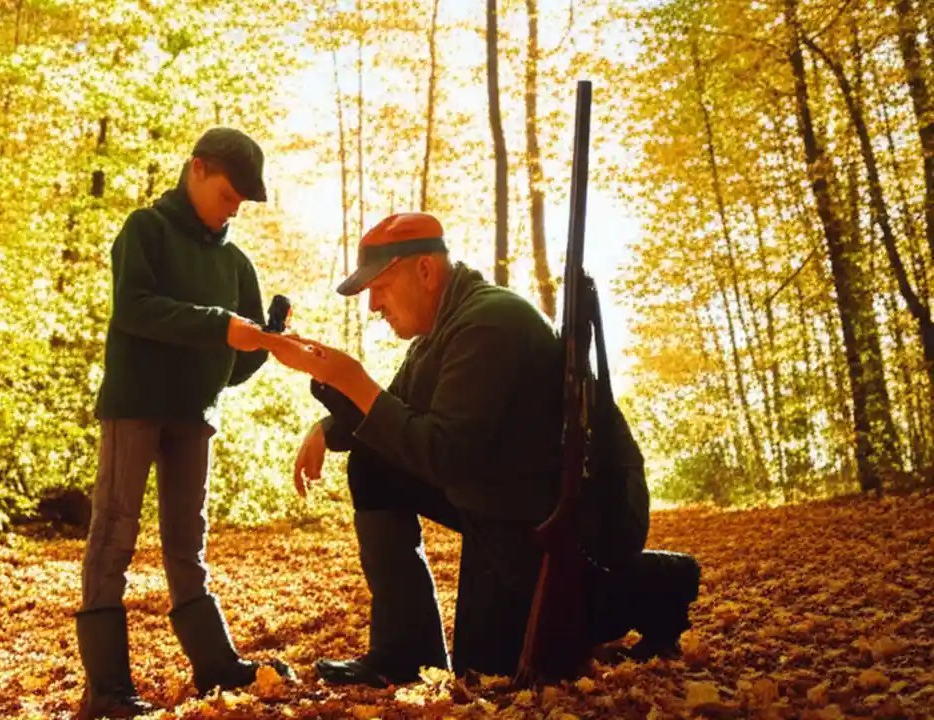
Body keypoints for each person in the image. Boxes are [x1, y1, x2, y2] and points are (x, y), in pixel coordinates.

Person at [263, 212, 700, 685]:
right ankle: (403, 653)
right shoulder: (446, 326)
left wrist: (349, 379)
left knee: (490, 669)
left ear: (425, 271)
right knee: (374, 464)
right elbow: (396, 416)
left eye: (380, 287)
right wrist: (328, 421)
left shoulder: (490, 323)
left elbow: (445, 456)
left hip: (556, 522)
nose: (373, 306)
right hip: (500, 500)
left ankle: (657, 583)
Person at [76, 127, 291, 719]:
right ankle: (106, 690)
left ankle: (215, 666)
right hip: (135, 406)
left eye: (243, 202)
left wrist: (262, 341)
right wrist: (222, 325)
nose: (234, 209)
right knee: (114, 535)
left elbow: (236, 365)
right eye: (228, 194)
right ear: (197, 170)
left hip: (195, 415)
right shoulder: (145, 230)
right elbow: (136, 309)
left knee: (186, 543)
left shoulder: (236, 262)